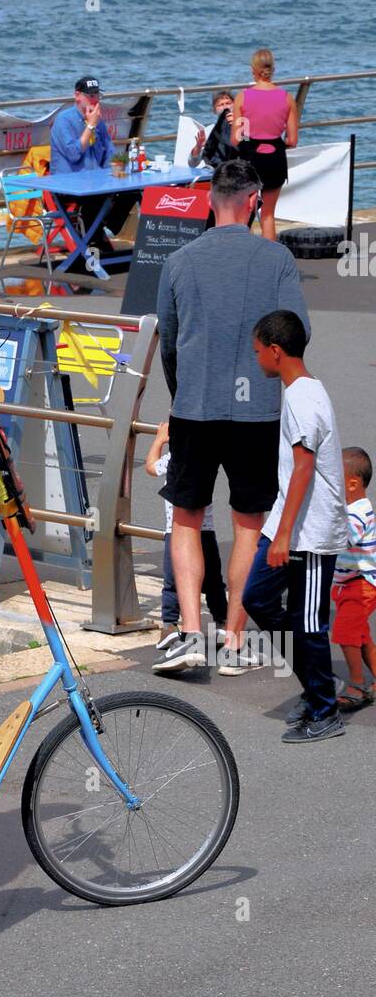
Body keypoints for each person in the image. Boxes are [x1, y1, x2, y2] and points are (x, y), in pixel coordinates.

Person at [153, 159, 310, 674]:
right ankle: (236, 641)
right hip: (256, 412)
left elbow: (169, 342)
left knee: (185, 518)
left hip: (194, 405)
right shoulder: (277, 259)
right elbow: (296, 332)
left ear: (208, 202)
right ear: (254, 202)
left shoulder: (178, 261)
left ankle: (190, 632)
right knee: (248, 524)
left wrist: (182, 397)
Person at [242, 310, 348, 742]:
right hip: (290, 523)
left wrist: (283, 535)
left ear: (275, 350)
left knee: (309, 623)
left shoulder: (304, 399)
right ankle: (316, 682)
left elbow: (304, 469)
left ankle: (324, 710)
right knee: (257, 598)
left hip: (311, 533)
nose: (255, 361)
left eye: (256, 352)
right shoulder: (300, 391)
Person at [146, 419, 227, 654]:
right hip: (205, 531)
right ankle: (222, 622)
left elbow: (150, 467)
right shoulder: (204, 455)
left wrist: (159, 440)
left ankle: (170, 625)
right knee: (213, 581)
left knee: (173, 581)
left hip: (177, 532)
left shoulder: (174, 457)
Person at [49, 75, 136, 257]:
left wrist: (120, 170)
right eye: (90, 96)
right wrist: (90, 126)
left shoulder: (99, 123)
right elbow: (73, 154)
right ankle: (93, 235)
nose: (95, 99)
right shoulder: (63, 121)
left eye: (97, 95)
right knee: (96, 199)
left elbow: (110, 153)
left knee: (133, 190)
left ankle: (101, 228)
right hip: (68, 185)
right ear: (77, 96)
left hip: (95, 183)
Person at [231, 49, 298, 242]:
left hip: (250, 158)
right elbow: (292, 140)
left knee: (244, 214)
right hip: (275, 158)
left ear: (253, 70)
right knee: (268, 215)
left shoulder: (243, 97)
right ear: (272, 69)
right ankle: (270, 264)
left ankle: (243, 258)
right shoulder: (286, 97)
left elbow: (237, 138)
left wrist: (249, 141)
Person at [330, 446, 376, 711]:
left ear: (352, 483)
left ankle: (357, 684)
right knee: (361, 636)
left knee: (346, 634)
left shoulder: (359, 511)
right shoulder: (352, 507)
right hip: (351, 583)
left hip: (361, 586)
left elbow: (344, 538)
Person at [188, 89, 237, 170]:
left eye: (228, 103)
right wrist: (199, 146)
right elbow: (192, 163)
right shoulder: (209, 131)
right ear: (214, 110)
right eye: (220, 105)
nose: (225, 107)